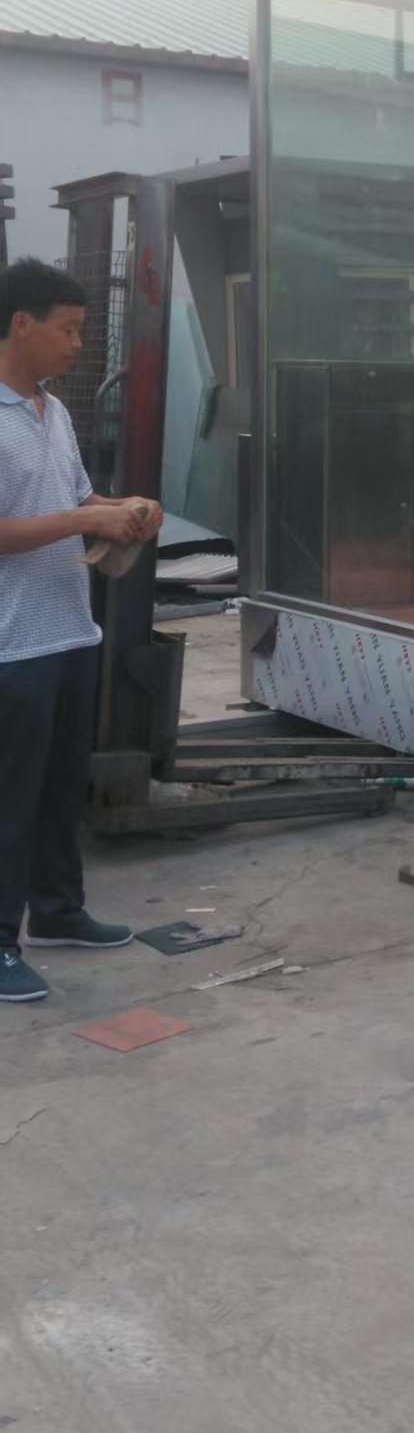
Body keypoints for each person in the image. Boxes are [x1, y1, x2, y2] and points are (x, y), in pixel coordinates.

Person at [0, 259, 163, 1004]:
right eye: (67, 330)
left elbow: (78, 500)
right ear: (20, 324)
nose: (76, 345)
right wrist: (80, 518)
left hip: (68, 632)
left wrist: (125, 509)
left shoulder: (55, 413)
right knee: (10, 797)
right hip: (12, 645)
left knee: (59, 789)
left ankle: (58, 911)